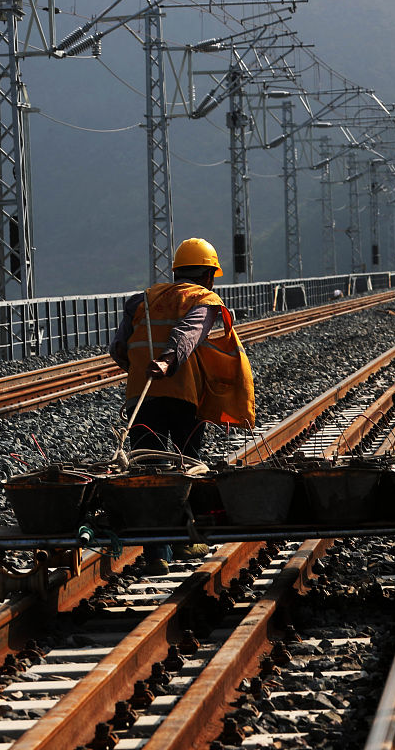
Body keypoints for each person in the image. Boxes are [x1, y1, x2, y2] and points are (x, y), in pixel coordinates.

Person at [108, 237, 256, 574]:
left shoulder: (140, 301)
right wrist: (168, 362)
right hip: (183, 398)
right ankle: (186, 539)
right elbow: (189, 333)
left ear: (176, 272)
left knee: (149, 473)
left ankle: (156, 552)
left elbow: (118, 349)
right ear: (209, 276)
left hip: (141, 399)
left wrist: (142, 370)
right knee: (187, 466)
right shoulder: (203, 299)